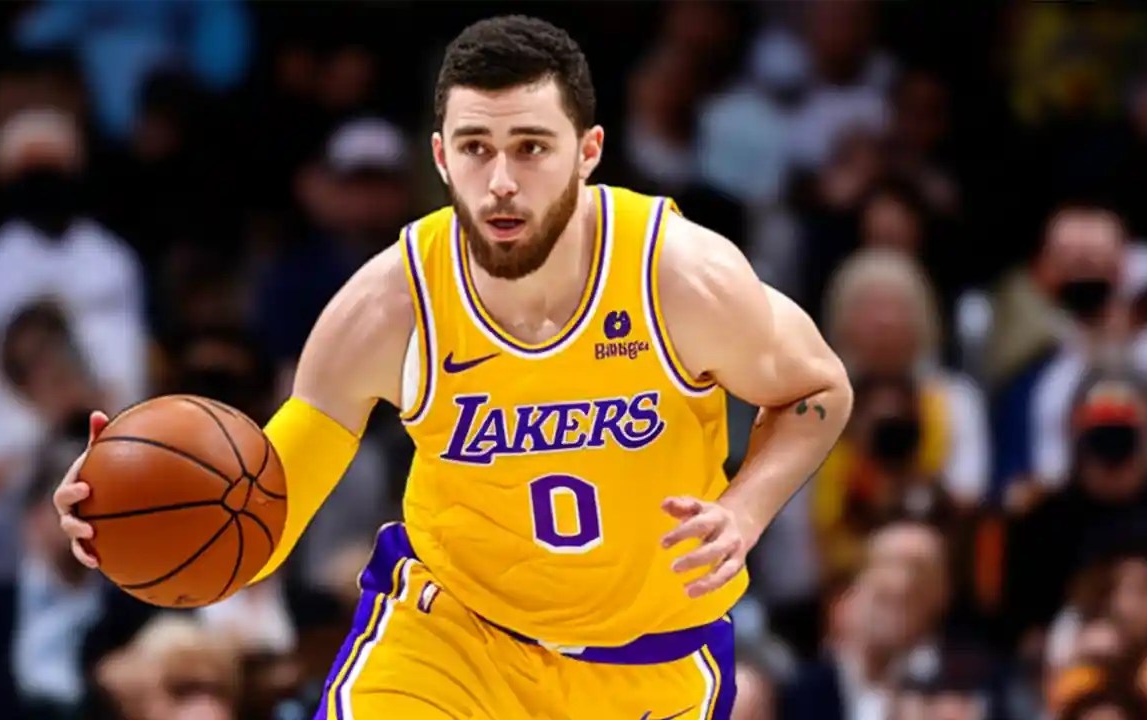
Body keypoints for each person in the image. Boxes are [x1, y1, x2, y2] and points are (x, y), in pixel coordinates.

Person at [54, 15, 852, 718]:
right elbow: (263, 510)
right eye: (476, 147)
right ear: (440, 156)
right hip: (453, 640)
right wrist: (130, 519)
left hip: (650, 661)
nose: (501, 181)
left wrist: (746, 511)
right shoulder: (390, 304)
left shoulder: (678, 277)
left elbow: (819, 389)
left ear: (588, 152)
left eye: (531, 147)